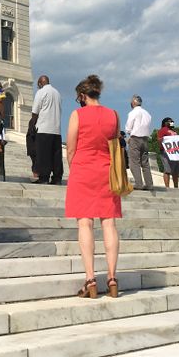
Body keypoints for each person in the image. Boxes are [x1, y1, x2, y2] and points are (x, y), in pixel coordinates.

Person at [65, 75, 121, 299]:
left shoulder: (77, 114)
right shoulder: (113, 115)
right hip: (107, 170)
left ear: (82, 95)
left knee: (85, 223)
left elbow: (71, 147)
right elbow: (115, 145)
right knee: (109, 223)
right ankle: (112, 278)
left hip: (83, 169)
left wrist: (73, 168)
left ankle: (90, 279)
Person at [29, 74, 63, 185]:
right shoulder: (57, 93)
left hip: (44, 128)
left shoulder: (41, 92)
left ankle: (44, 177)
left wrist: (32, 124)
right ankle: (57, 178)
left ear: (40, 83)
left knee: (43, 154)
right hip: (56, 129)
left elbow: (35, 111)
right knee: (56, 155)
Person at [124, 95, 154, 191]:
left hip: (135, 138)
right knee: (145, 163)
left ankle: (139, 183)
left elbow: (128, 127)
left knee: (134, 162)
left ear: (133, 102)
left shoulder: (133, 112)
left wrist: (129, 133)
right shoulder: (147, 113)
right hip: (145, 138)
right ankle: (149, 184)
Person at [156, 117, 179, 188]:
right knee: (167, 170)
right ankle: (167, 187)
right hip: (166, 152)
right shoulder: (162, 130)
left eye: (172, 121)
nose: (172, 122)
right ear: (165, 123)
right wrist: (164, 140)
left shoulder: (174, 131)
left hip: (175, 152)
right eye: (170, 121)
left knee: (176, 171)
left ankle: (176, 187)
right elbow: (159, 140)